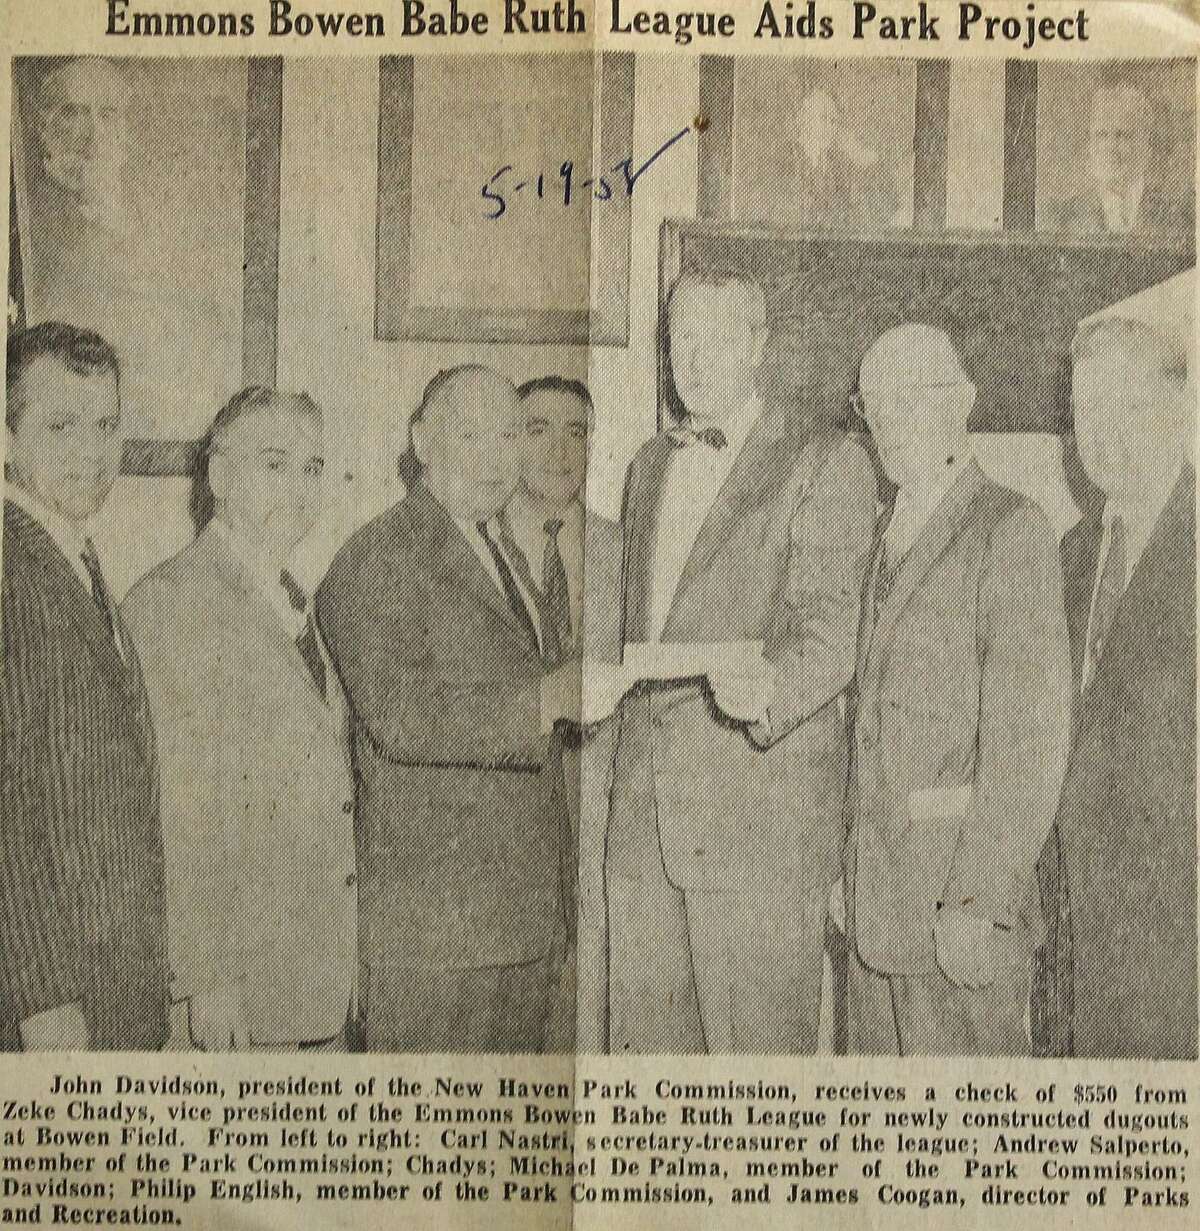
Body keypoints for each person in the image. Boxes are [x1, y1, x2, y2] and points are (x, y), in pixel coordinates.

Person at [606, 273, 877, 1054]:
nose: (692, 360)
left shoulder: (825, 459)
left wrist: (767, 691)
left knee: (753, 1077)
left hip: (756, 824)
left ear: (758, 346)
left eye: (717, 338)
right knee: (648, 1085)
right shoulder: (647, 465)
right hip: (644, 823)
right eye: (680, 338)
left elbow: (831, 629)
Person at [316, 365, 585, 1052]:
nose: (496, 458)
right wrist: (545, 702)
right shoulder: (377, 556)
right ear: (422, 441)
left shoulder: (500, 548)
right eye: (471, 436)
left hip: (521, 926)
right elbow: (402, 717)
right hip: (436, 943)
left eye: (508, 436)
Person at [844, 322, 1072, 1056]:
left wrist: (978, 900)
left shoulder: (1010, 528)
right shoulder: (882, 532)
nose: (888, 422)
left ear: (961, 402)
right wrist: (846, 872)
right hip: (874, 917)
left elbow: (1028, 743)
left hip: (958, 919)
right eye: (874, 404)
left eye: (910, 398)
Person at [121, 387, 357, 1052]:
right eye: (275, 464)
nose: (300, 488)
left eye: (312, 467)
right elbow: (174, 806)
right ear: (220, 476)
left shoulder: (292, 597)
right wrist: (207, 976)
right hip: (238, 996)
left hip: (308, 982)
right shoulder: (172, 601)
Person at [0, 321, 167, 1051]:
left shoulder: (74, 555)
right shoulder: (12, 565)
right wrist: (40, 995)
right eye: (61, 426)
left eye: (104, 426)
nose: (90, 453)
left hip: (116, 977)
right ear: (8, 437)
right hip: (58, 995)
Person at [1049, 315, 1196, 1059]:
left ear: (1173, 404)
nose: (1100, 430)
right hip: (1075, 946)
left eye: (1120, 402)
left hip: (1172, 957)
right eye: (1084, 409)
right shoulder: (1069, 555)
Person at [501, 375, 624, 1050]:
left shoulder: (626, 549)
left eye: (577, 432)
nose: (560, 450)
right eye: (539, 429)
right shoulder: (479, 545)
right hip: (509, 834)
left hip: (602, 825)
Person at [1051, 82, 1191, 238]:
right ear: (1090, 146)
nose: (1110, 147)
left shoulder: (1176, 215)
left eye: (1123, 135)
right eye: (1101, 135)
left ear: (1145, 146)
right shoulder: (1064, 217)